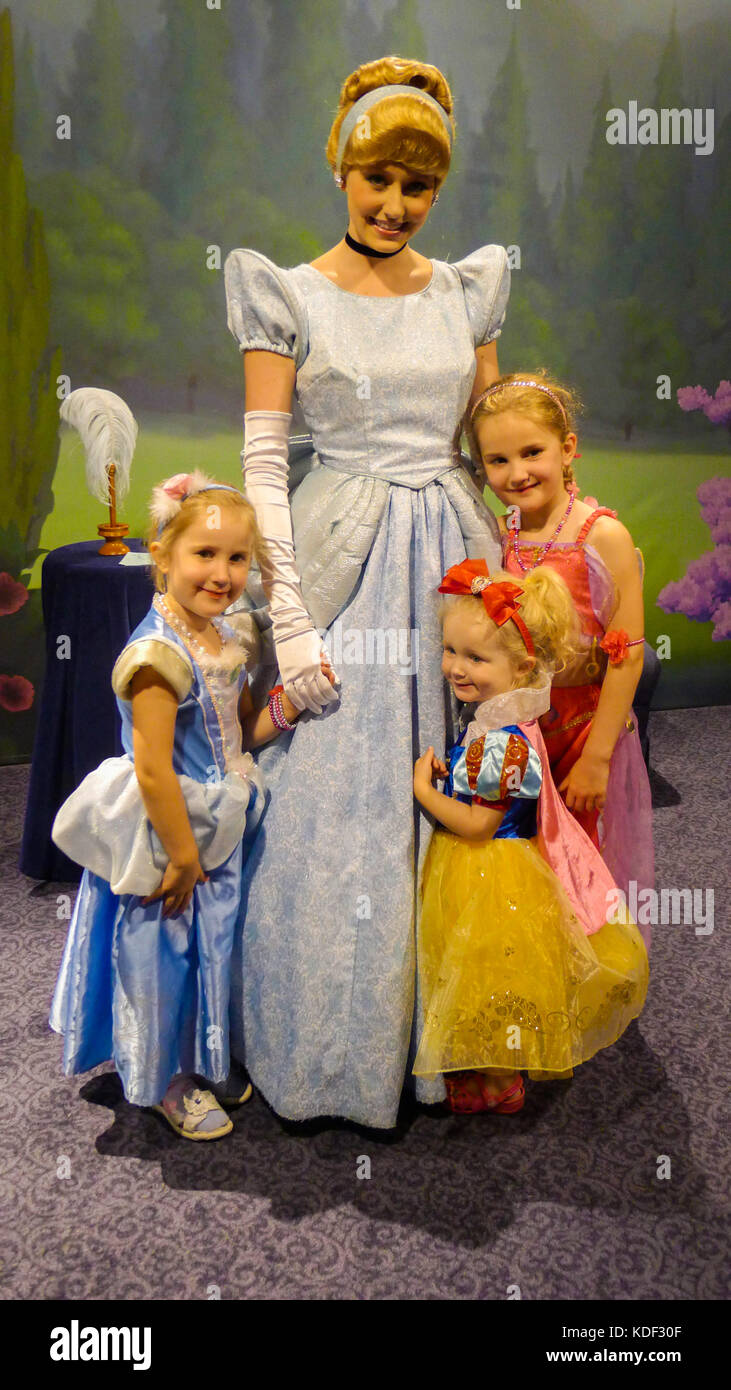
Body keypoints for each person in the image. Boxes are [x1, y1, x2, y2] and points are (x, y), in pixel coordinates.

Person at [223, 56, 511, 1127]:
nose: (394, 205)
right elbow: (262, 463)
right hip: (343, 550)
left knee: (459, 790)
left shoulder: (466, 289)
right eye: (375, 178)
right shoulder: (285, 293)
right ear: (339, 167)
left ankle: (446, 1040)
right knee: (333, 804)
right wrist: (288, 622)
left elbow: (488, 442)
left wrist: (523, 560)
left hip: (449, 558)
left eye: (416, 186)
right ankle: (328, 1048)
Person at [50, 471, 332, 1140]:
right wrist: (180, 855)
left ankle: (204, 1056)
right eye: (203, 554)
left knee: (213, 945)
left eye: (237, 558)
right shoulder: (157, 655)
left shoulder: (223, 636)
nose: (222, 572)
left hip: (218, 819)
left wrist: (287, 705)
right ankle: (166, 1080)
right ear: (164, 554)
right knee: (161, 953)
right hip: (166, 831)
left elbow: (233, 731)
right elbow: (153, 768)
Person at [412, 560, 649, 1113]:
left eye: (475, 658)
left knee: (494, 974)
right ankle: (494, 1071)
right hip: (486, 861)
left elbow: (478, 822)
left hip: (489, 865)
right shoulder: (502, 720)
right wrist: (457, 773)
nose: (456, 668)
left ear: (520, 668)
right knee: (484, 970)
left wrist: (424, 791)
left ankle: (501, 1081)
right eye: (450, 651)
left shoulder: (505, 741)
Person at [467, 372, 654, 943]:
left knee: (578, 861)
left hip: (578, 728)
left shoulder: (601, 536)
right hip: (518, 727)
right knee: (521, 857)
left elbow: (627, 655)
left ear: (568, 448)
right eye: (497, 460)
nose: (516, 473)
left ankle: (583, 977)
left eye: (532, 452)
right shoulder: (500, 533)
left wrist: (597, 757)